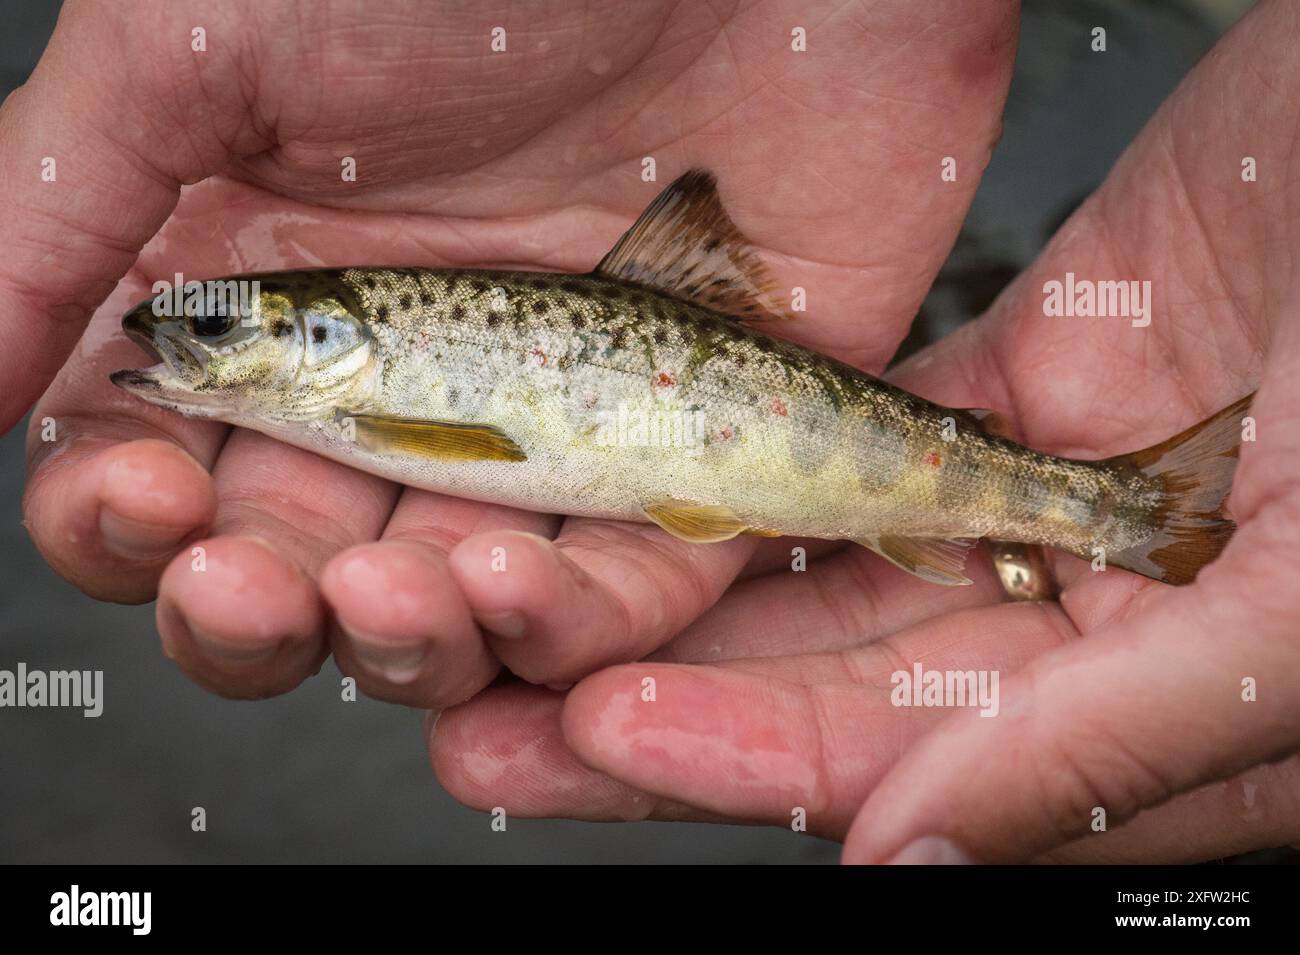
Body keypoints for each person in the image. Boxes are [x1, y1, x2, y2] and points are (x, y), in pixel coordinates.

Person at [5, 0, 1297, 863]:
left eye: (222, 337)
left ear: (344, 350)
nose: (182, 348)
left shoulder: (376, 406)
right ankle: (1121, 510)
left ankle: (1121, 512)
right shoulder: (353, 385)